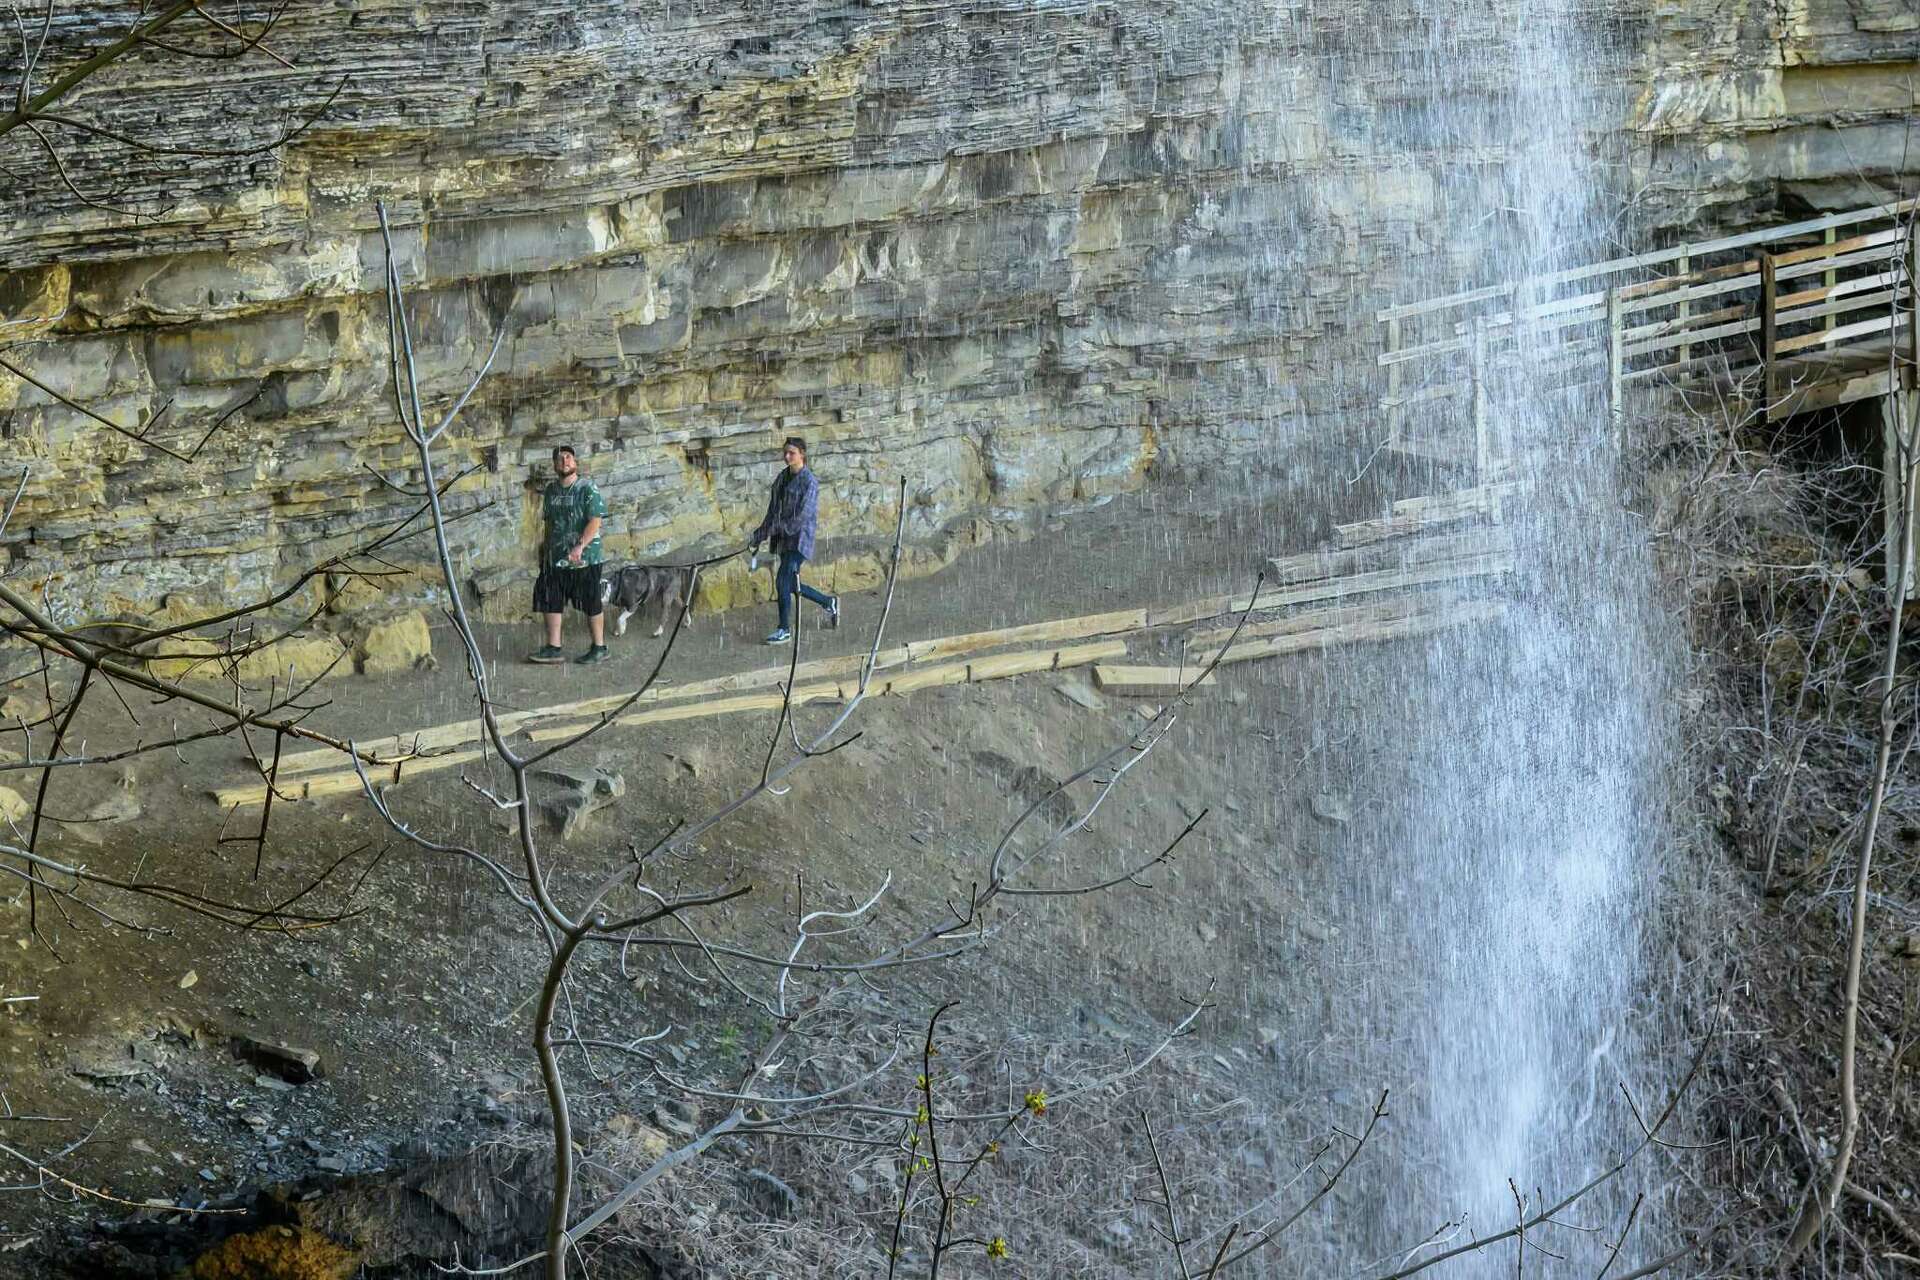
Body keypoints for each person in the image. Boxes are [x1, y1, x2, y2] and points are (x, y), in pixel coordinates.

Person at [749, 436, 839, 645]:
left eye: (792, 453)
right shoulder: (782, 478)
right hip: (783, 540)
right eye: (786, 452)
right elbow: (773, 511)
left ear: (802, 455)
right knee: (790, 582)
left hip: (799, 540)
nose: (787, 456)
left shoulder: (809, 482)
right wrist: (760, 534)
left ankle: (784, 629)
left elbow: (802, 517)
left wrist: (778, 527)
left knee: (783, 581)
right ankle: (828, 602)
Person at [529, 445, 610, 665]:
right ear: (555, 465)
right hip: (556, 557)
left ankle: (599, 647)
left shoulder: (587, 488)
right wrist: (544, 550)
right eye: (560, 459)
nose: (565, 461)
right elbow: (549, 523)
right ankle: (554, 647)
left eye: (568, 457)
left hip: (586, 557)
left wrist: (580, 546)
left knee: (590, 600)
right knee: (550, 597)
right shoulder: (551, 491)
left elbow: (595, 520)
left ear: (575, 463)